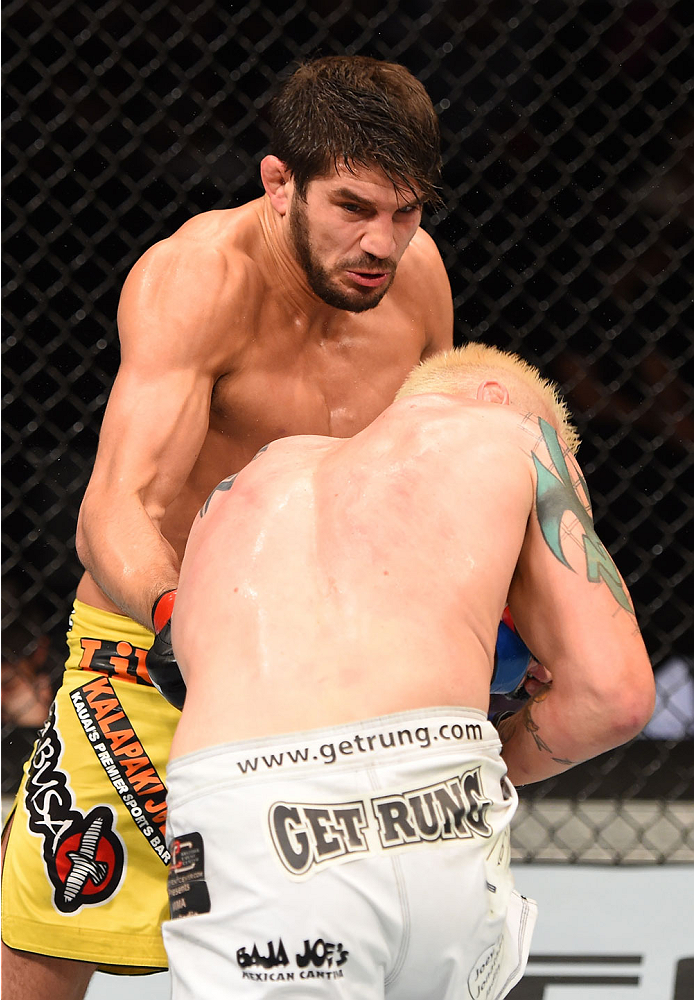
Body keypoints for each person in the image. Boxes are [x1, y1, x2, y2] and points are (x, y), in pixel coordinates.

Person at [1, 56, 454, 998]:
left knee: (309, 965)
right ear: (278, 182)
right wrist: (183, 625)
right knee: (45, 951)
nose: (383, 242)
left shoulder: (416, 283)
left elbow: (437, 476)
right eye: (355, 206)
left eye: (407, 213)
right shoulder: (195, 281)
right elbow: (112, 509)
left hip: (330, 677)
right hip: (151, 659)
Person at [159, 344, 655, 999]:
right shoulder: (512, 432)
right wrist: (478, 749)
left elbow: (182, 666)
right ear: (493, 396)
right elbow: (613, 694)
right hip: (439, 804)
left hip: (254, 816)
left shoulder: (240, 487)